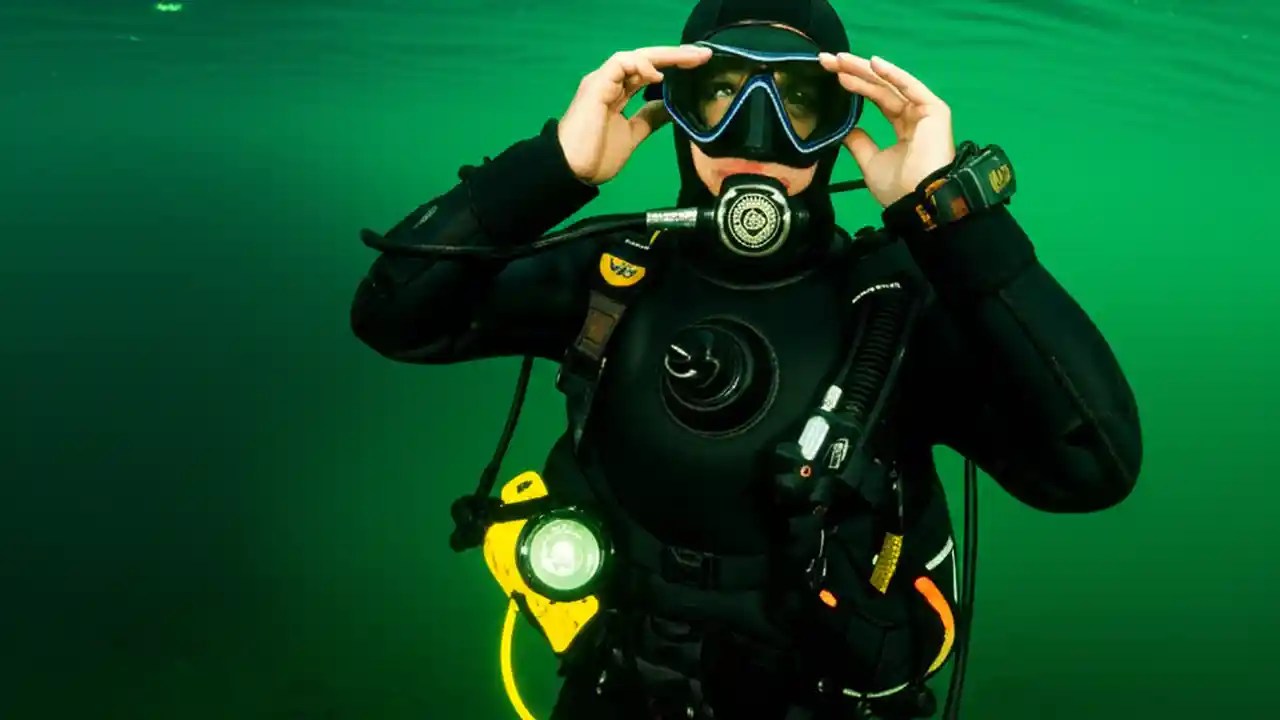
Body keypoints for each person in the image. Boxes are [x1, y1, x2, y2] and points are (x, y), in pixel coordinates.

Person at [349, 0, 1143, 717]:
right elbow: (393, 314)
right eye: (722, 94)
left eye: (801, 101)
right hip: (619, 690)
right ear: (678, 109)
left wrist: (952, 217)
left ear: (843, 120)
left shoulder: (895, 307)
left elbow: (1092, 464)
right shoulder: (614, 277)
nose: (758, 139)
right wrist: (556, 167)